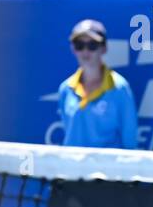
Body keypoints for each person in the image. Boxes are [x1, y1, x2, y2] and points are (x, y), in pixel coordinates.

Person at [57, 19, 138, 149]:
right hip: (71, 168)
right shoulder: (65, 89)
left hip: (108, 168)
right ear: (73, 49)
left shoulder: (120, 88)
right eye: (79, 45)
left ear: (104, 48)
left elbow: (130, 143)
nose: (85, 51)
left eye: (92, 45)